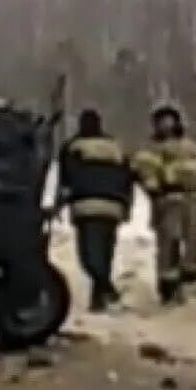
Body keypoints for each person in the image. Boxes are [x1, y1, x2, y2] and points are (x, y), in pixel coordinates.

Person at [55, 108, 134, 310]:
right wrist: (127, 205)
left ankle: (106, 288)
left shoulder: (73, 146)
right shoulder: (115, 146)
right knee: (105, 254)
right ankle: (98, 300)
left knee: (88, 257)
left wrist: (59, 204)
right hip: (113, 205)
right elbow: (127, 177)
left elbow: (65, 180)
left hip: (86, 205)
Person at [131, 103, 196, 305]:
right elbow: (144, 171)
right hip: (167, 198)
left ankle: (189, 275)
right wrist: (155, 190)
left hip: (191, 197)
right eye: (162, 121)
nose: (167, 125)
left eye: (170, 120)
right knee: (170, 242)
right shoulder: (151, 148)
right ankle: (168, 286)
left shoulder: (190, 146)